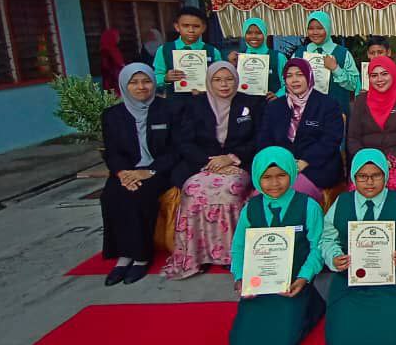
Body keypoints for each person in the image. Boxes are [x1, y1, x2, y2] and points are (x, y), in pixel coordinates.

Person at [320, 149, 396, 345]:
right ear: (354, 177)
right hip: (351, 278)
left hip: (392, 278)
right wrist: (334, 257)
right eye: (362, 176)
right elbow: (328, 239)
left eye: (376, 175)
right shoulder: (341, 203)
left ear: (385, 175)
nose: (369, 182)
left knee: (394, 339)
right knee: (341, 342)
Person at [228, 147, 326, 345]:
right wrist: (240, 278)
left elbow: (318, 247)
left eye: (281, 175)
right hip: (259, 283)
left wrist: (304, 277)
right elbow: (239, 247)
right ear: (257, 177)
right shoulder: (250, 209)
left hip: (294, 283)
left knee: (281, 344)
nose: (274, 183)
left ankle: (312, 303)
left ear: (292, 173)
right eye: (267, 177)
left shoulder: (309, 206)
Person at [163, 61, 259, 280]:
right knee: (194, 190)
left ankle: (230, 254)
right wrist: (210, 162)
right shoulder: (195, 105)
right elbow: (184, 142)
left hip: (237, 163)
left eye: (229, 79)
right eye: (217, 80)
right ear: (209, 81)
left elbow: (258, 139)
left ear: (237, 80)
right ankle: (198, 254)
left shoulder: (251, 104)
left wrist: (231, 158)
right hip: (203, 165)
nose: (224, 84)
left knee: (230, 190)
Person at [99, 63, 178, 286]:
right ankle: (124, 256)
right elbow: (112, 151)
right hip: (127, 170)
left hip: (160, 170)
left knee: (140, 196)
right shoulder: (112, 115)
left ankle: (141, 257)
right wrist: (123, 173)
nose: (141, 87)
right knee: (112, 195)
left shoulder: (169, 109)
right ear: (124, 85)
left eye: (146, 81)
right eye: (134, 83)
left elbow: (177, 148)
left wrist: (149, 171)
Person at [259, 58, 345, 201]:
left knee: (292, 194)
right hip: (280, 167)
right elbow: (264, 139)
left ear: (309, 76)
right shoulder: (275, 107)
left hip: (317, 167)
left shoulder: (328, 104)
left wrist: (305, 161)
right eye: (289, 76)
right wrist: (278, 162)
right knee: (261, 196)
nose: (295, 80)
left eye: (300, 74)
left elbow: (331, 140)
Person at [347, 56, 396, 194]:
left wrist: (388, 162)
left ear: (393, 74)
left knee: (389, 191)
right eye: (374, 75)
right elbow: (353, 139)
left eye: (384, 74)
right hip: (366, 164)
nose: (379, 79)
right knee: (355, 193)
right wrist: (366, 161)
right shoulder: (360, 101)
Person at [291, 11, 360, 115]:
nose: (315, 32)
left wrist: (336, 69)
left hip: (335, 113)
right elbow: (288, 81)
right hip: (306, 113)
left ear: (327, 28)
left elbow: (354, 85)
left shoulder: (343, 53)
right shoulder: (299, 54)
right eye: (311, 28)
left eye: (319, 28)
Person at [152, 6, 222, 96]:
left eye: (196, 26)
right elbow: (155, 77)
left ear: (203, 28)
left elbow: (220, 77)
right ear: (177, 27)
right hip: (174, 102)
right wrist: (166, 78)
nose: (191, 30)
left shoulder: (213, 51)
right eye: (185, 26)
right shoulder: (164, 50)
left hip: (205, 101)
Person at [227, 17, 287, 100]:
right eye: (249, 33)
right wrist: (232, 65)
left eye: (258, 33)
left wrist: (278, 95)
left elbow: (288, 82)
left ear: (265, 34)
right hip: (245, 105)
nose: (253, 36)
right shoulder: (238, 58)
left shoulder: (278, 57)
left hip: (272, 105)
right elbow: (228, 84)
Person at [99, 28, 124, 93]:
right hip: (114, 83)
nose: (119, 38)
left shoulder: (106, 50)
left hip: (111, 82)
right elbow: (117, 66)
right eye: (117, 36)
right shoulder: (110, 51)